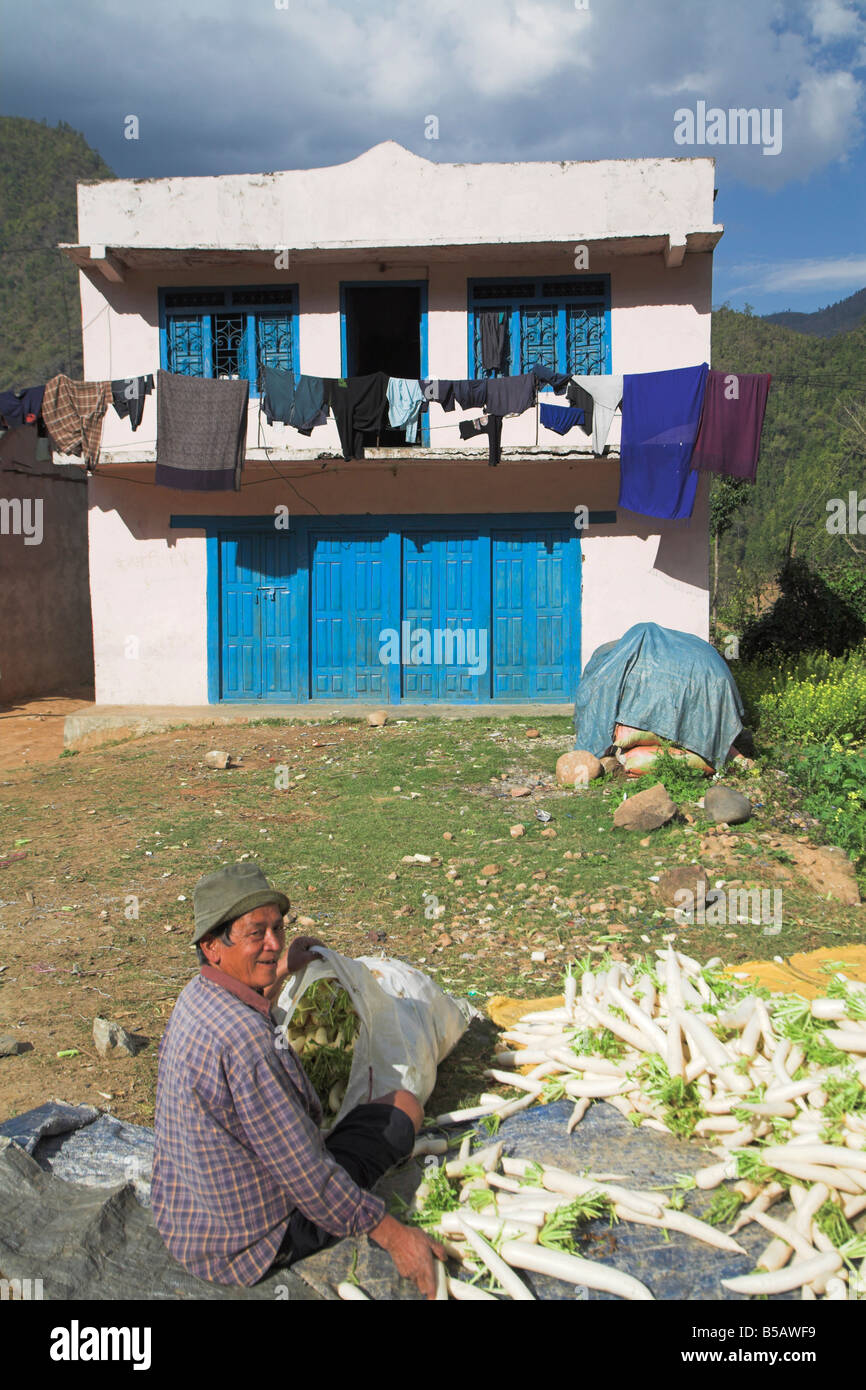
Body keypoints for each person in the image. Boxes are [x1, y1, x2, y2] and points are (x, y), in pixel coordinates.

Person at [151, 861, 445, 1297]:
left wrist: (281, 967)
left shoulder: (197, 996)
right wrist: (395, 1236)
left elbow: (251, 1005)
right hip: (251, 1243)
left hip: (189, 1222)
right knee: (404, 1107)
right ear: (213, 945)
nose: (272, 944)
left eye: (277, 929)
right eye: (257, 934)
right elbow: (308, 1176)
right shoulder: (247, 1043)